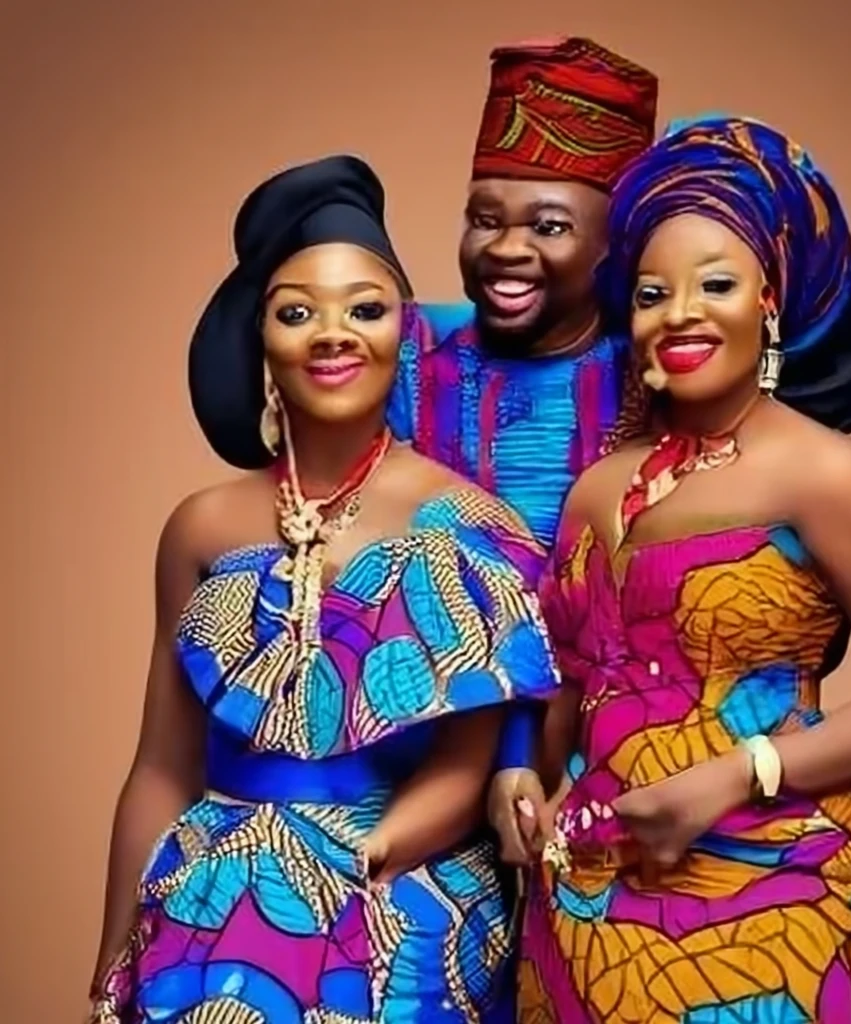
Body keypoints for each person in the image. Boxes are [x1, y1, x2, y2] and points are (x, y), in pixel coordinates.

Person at [496, 117, 851, 1022]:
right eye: (651, 292)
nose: (679, 312)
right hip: (594, 902)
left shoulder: (830, 474)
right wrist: (522, 769)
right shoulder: (597, 487)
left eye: (714, 283)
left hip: (778, 895)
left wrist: (737, 772)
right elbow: (573, 675)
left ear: (770, 300)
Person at [87, 154, 560, 1024]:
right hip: (207, 900)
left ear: (400, 335)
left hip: (403, 906)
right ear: (262, 344)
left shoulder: (474, 525)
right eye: (298, 312)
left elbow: (468, 769)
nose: (334, 333)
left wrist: (344, 873)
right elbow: (160, 768)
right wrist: (112, 964)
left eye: (366, 309)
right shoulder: (201, 527)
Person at [387, 36, 658, 550]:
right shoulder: (405, 352)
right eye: (485, 221)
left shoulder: (653, 368)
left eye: (550, 227)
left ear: (613, 245)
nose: (508, 247)